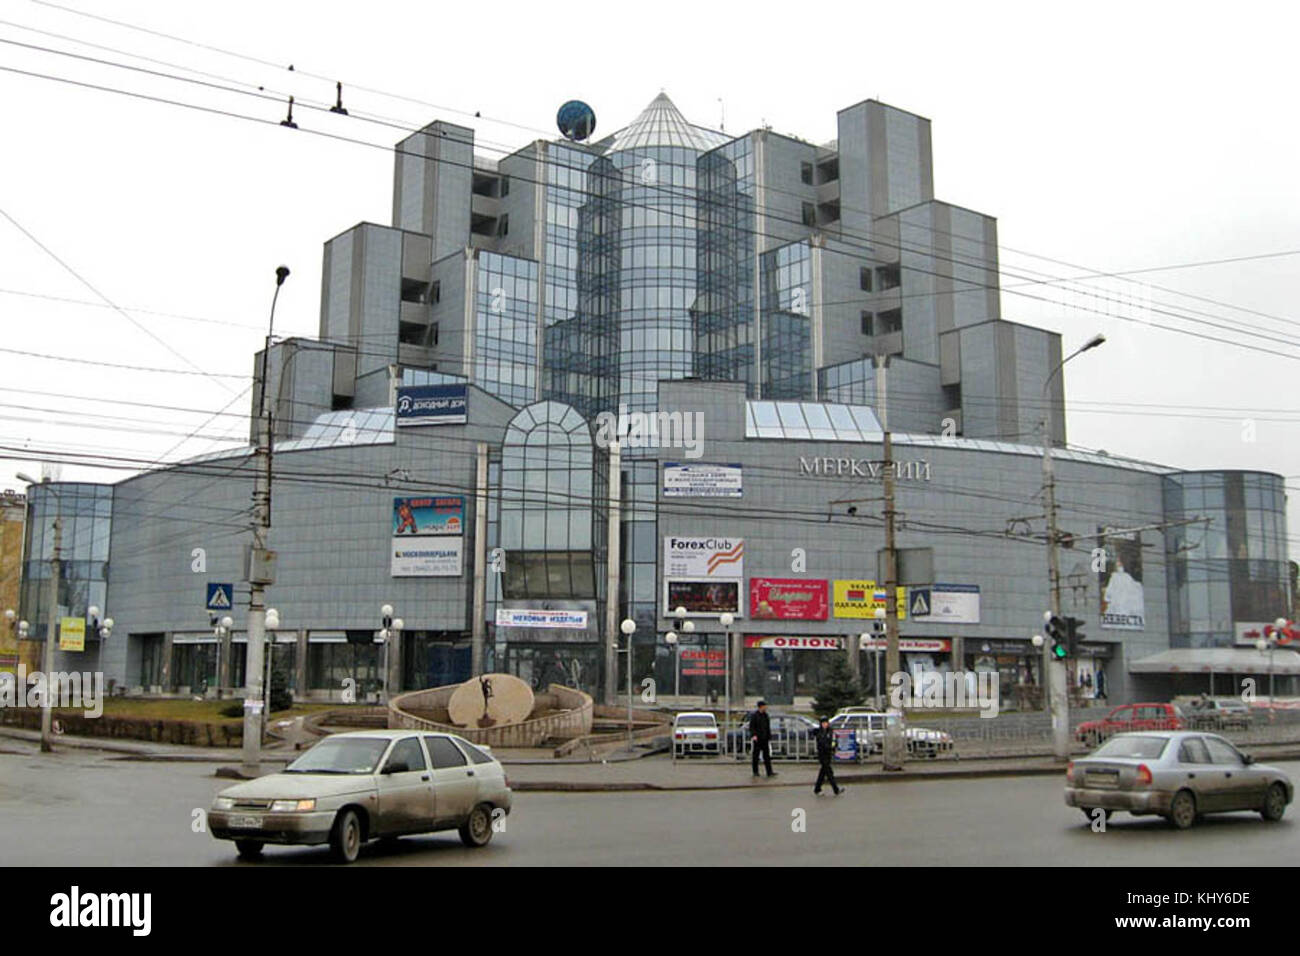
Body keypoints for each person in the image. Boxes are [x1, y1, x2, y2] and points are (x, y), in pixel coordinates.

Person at [814, 716, 843, 796]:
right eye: (823, 723)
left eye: (826, 723)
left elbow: (834, 741)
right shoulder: (819, 732)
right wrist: (828, 747)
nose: (825, 724)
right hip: (822, 755)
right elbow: (821, 743)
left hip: (828, 754)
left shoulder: (830, 731)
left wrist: (833, 747)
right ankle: (836, 790)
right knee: (829, 773)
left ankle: (817, 788)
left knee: (823, 772)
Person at [750, 700, 776, 778]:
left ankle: (769, 772)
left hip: (765, 738)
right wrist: (754, 735)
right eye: (764, 706)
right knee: (756, 756)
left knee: (767, 756)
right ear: (761, 707)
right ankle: (755, 772)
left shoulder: (766, 715)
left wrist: (769, 736)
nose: (766, 707)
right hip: (757, 739)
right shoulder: (755, 716)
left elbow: (767, 727)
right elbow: (752, 727)